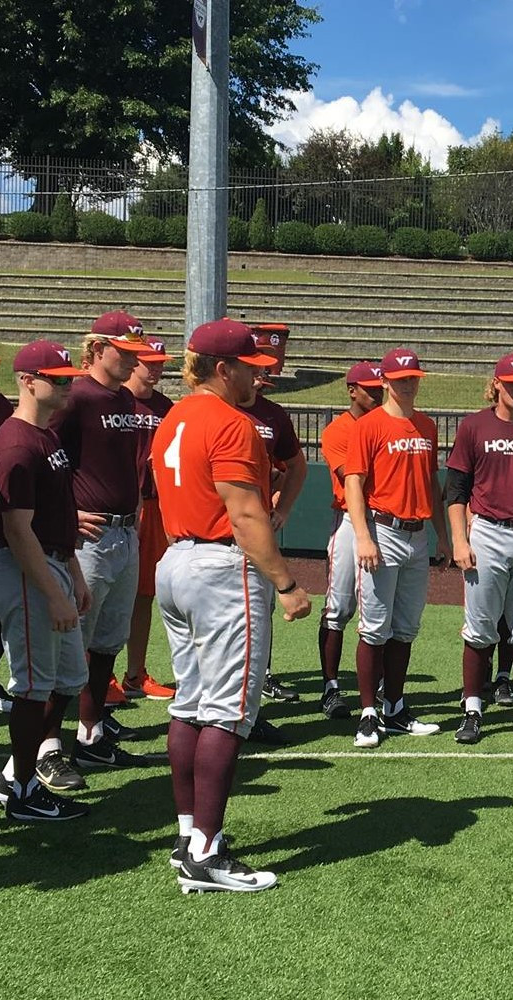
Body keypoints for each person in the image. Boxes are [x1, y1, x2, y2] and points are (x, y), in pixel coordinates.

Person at [151, 318, 312, 892]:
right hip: (220, 565)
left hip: (176, 558)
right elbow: (244, 515)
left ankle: (188, 837)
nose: (258, 377)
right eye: (250, 367)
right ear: (223, 369)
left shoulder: (174, 416)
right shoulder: (230, 422)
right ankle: (206, 852)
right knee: (226, 709)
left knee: (190, 703)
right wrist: (286, 584)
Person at [0, 340, 95, 821]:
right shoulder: (17, 442)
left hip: (53, 563)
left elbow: (55, 518)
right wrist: (53, 592)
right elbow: (16, 530)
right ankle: (23, 792)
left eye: (69, 378)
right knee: (32, 685)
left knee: (69, 678)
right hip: (27, 571)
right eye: (58, 378)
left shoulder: (44, 434)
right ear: (28, 382)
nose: (68, 385)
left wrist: (72, 573)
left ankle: (14, 774)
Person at [53, 311, 154, 779]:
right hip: (88, 537)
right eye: (125, 351)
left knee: (108, 641)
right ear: (96, 348)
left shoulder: (125, 399)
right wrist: (67, 513)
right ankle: (47, 747)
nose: (134, 360)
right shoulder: (75, 397)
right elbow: (44, 457)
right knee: (70, 645)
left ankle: (91, 733)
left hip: (123, 532)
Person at [446, 353, 513, 744]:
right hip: (489, 531)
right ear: (496, 384)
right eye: (512, 384)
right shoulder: (474, 425)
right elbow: (455, 489)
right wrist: (459, 540)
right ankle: (473, 708)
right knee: (480, 628)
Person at [345, 348, 451, 748]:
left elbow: (431, 484)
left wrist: (443, 534)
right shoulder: (369, 425)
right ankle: (368, 713)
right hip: (383, 530)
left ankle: (394, 707)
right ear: (385, 382)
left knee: (405, 628)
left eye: (413, 378)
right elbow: (354, 482)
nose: (408, 384)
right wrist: (363, 535)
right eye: (401, 378)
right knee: (374, 628)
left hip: (417, 533)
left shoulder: (426, 425)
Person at [232, 324, 308, 715]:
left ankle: (259, 682)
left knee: (259, 612)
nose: (260, 373)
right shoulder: (212, 409)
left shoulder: (272, 414)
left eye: (263, 366)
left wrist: (284, 507)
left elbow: (296, 465)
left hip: (255, 524)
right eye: (254, 365)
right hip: (213, 532)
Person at [315, 362, 383, 717]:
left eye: (380, 388)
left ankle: (381, 687)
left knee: (381, 609)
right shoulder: (338, 430)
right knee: (338, 607)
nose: (377, 394)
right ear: (352, 390)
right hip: (347, 519)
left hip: (384, 520)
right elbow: (352, 476)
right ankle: (330, 687)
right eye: (370, 389)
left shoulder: (386, 423)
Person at [119, 336, 177, 701]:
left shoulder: (165, 406)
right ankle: (98, 676)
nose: (155, 369)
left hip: (155, 505)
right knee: (106, 594)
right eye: (149, 362)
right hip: (117, 507)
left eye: (159, 363)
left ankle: (135, 674)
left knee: (143, 594)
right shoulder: (115, 400)